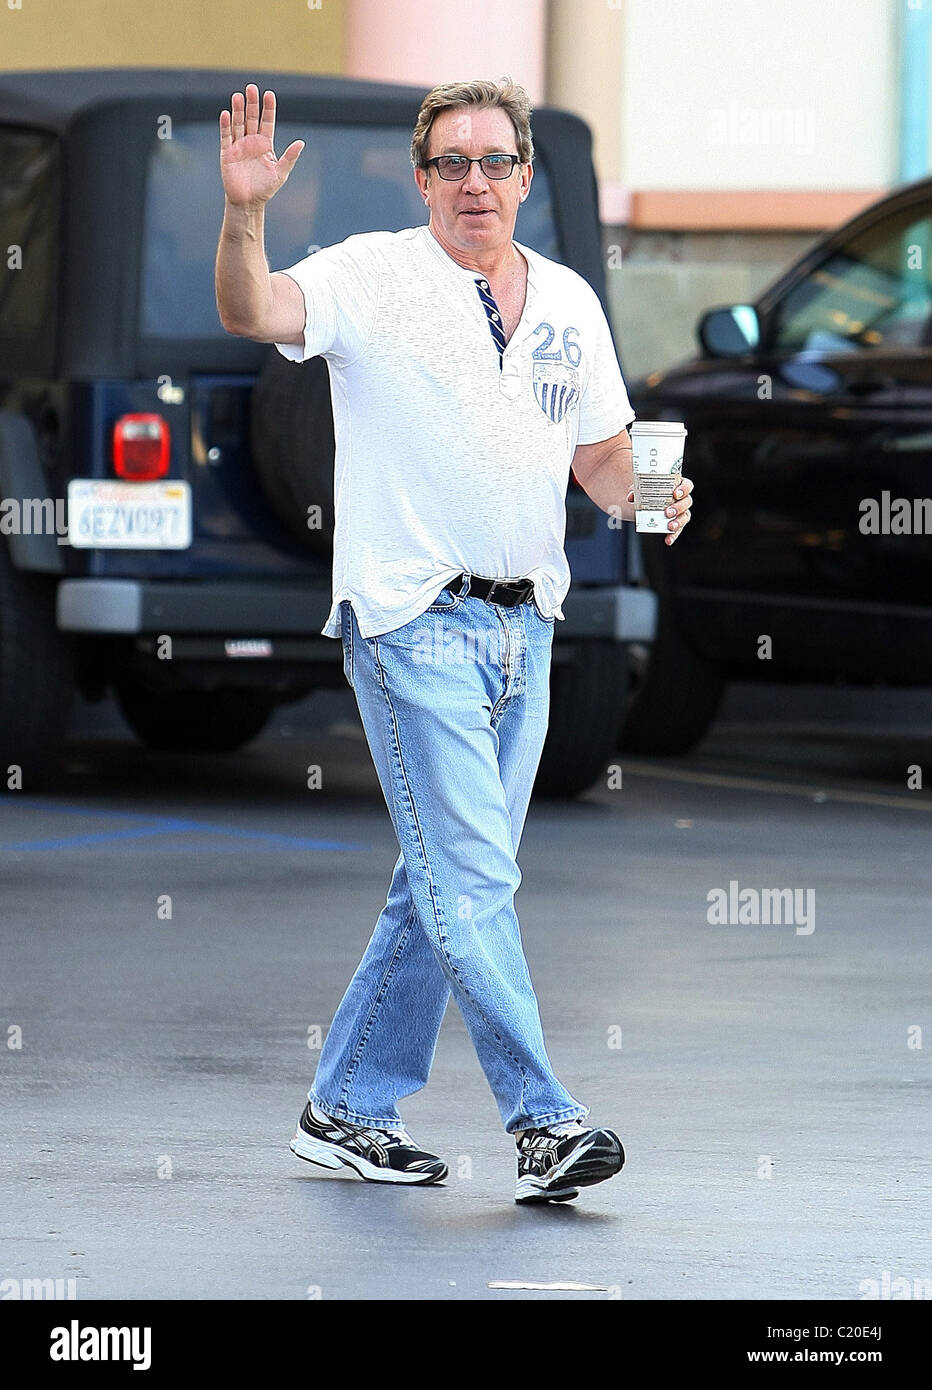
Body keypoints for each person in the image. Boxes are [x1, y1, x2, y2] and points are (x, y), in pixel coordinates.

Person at [216, 78, 693, 1205]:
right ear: (420, 177)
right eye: (449, 163)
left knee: (436, 881)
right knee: (471, 877)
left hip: (524, 628)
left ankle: (347, 1108)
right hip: (409, 616)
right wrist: (243, 214)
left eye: (493, 160)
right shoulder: (369, 275)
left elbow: (602, 462)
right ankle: (543, 1121)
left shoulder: (571, 301)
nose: (473, 181)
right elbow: (253, 311)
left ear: (524, 174)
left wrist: (652, 499)